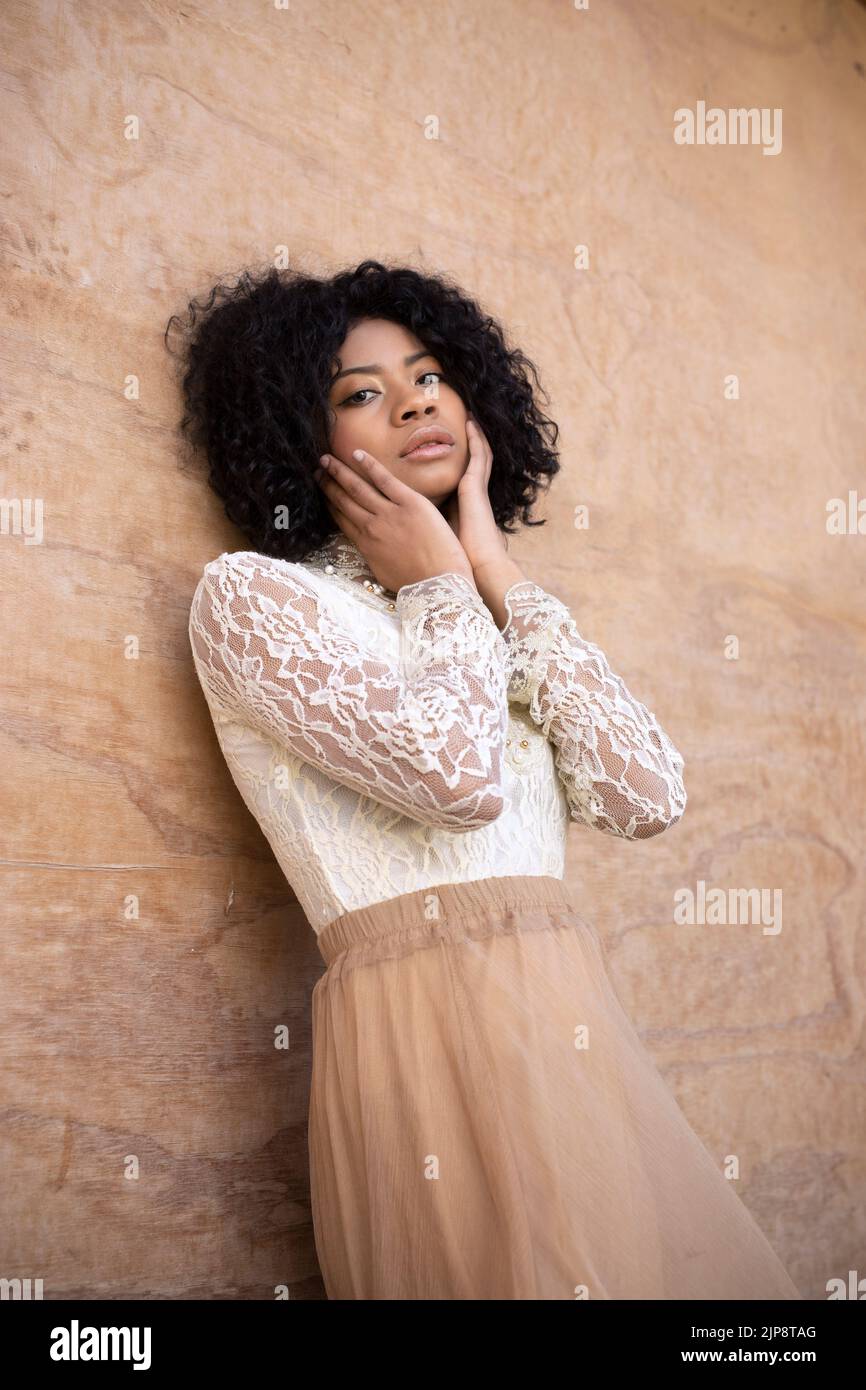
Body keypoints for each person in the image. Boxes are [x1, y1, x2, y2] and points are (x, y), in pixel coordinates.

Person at [167, 258, 802, 1300]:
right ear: (299, 432)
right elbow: (453, 777)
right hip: (423, 1046)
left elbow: (646, 797)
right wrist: (443, 587)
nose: (414, 399)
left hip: (572, 1046)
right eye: (359, 390)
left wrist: (495, 574)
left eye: (427, 374)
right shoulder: (253, 601)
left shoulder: (479, 610)